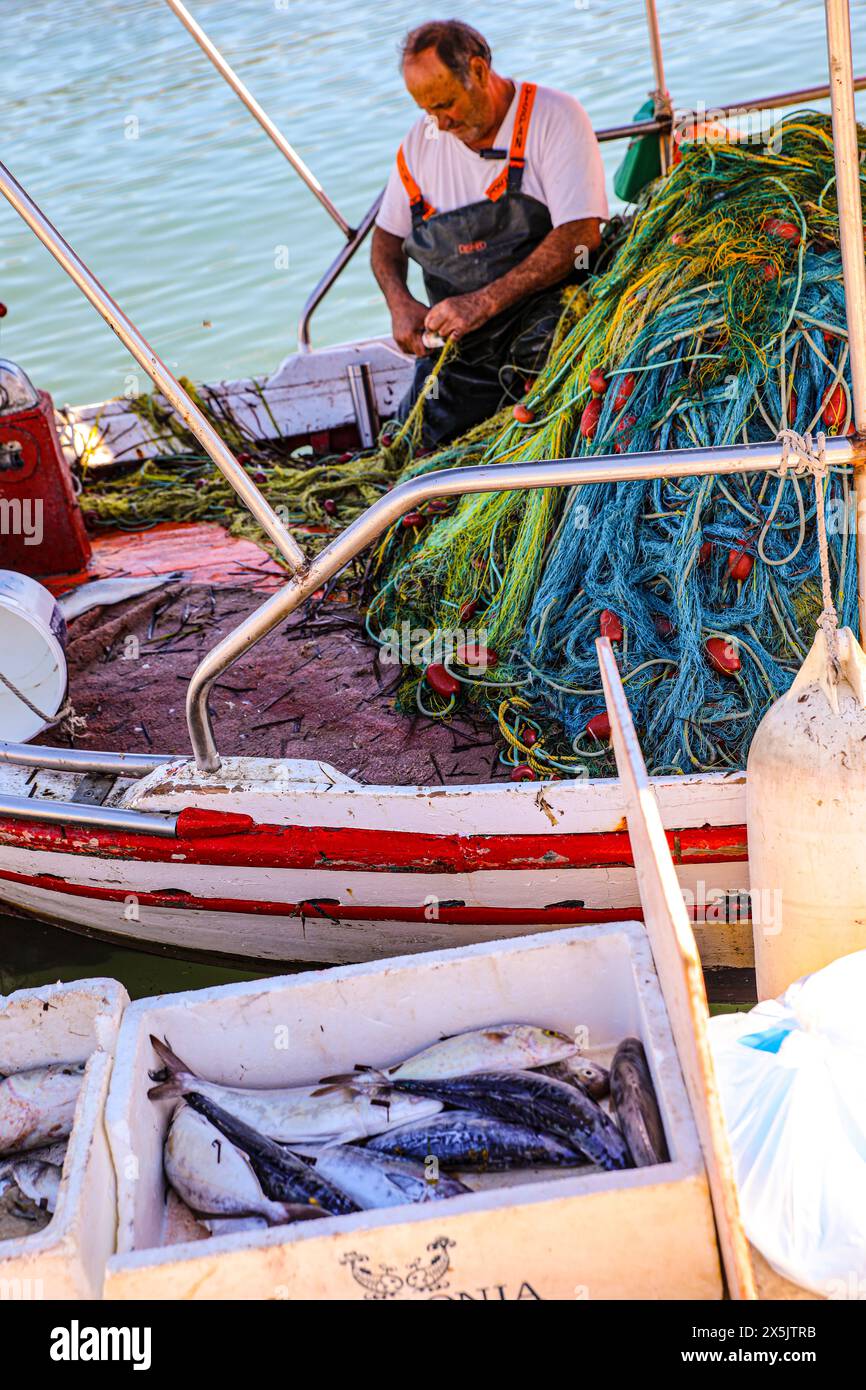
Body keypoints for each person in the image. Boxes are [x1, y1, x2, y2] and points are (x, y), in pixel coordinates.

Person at [371, 18, 609, 447]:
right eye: (427, 111)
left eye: (446, 104)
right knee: (415, 441)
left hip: (552, 330)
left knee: (557, 435)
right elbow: (386, 240)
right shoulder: (420, 144)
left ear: (479, 71)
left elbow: (580, 237)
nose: (440, 124)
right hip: (462, 350)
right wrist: (400, 303)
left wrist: (482, 302)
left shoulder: (554, 116)